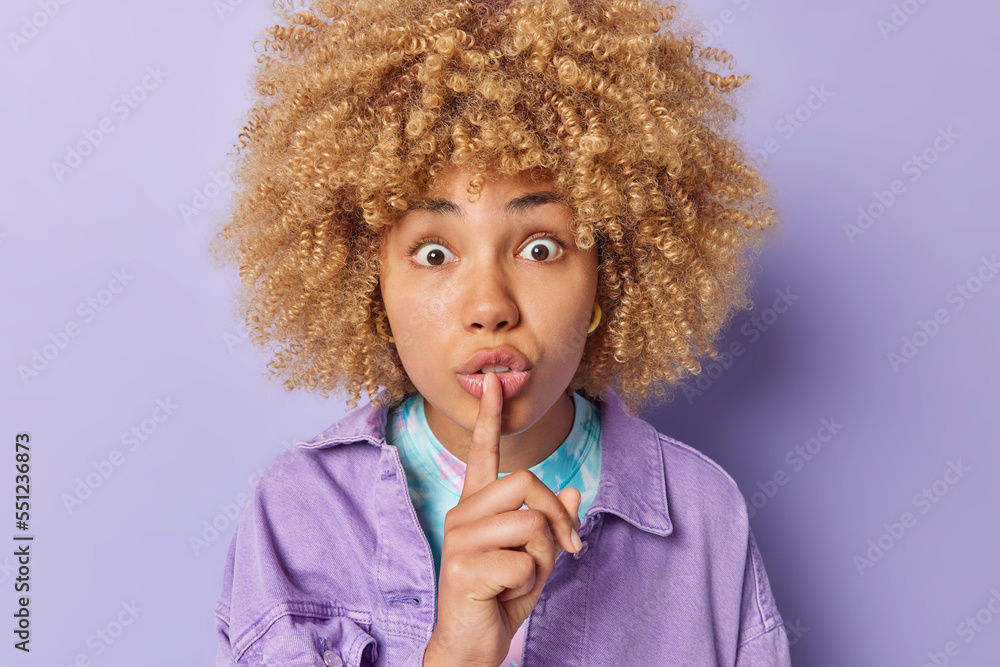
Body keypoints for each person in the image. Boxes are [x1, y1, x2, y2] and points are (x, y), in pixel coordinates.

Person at [211, 0, 790, 664]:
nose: (489, 305)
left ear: (611, 273)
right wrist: (459, 651)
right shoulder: (300, 511)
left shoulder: (702, 514)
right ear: (370, 287)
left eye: (540, 248)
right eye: (434, 253)